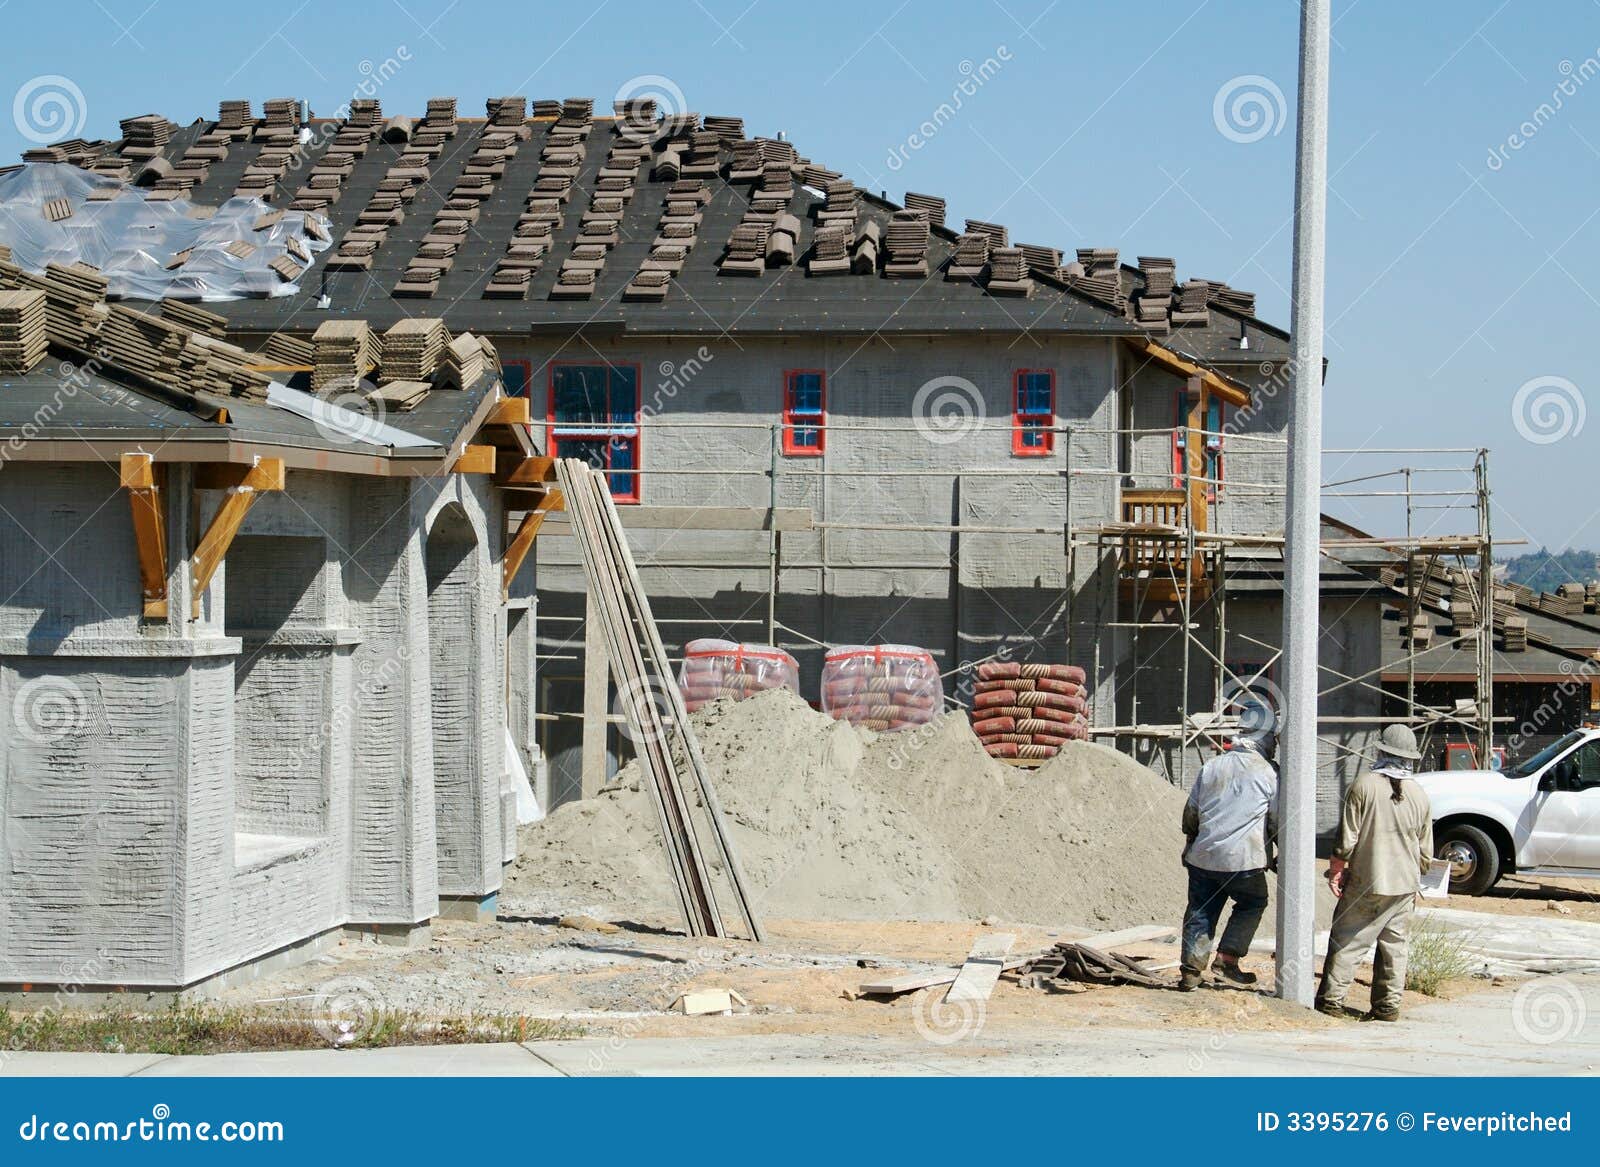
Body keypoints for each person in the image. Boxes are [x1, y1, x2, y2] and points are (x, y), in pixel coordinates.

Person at [1315, 723, 1434, 1022]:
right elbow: (1426, 852)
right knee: (1395, 946)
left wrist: (1336, 870)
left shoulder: (1363, 786)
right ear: (1410, 757)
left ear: (1381, 750)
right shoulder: (1419, 794)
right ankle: (1387, 1007)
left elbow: (1347, 840)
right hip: (1405, 884)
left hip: (1368, 880)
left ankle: (1332, 1001)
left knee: (1349, 940)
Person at [1178, 701, 1280, 992]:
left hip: (1203, 857)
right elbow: (1276, 820)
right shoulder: (1270, 773)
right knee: (1252, 902)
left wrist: (1191, 842)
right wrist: (1279, 852)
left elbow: (1191, 814)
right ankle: (1227, 961)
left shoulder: (1211, 766)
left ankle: (1190, 972)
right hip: (1243, 861)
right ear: (1264, 737)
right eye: (1273, 738)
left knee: (1200, 910)